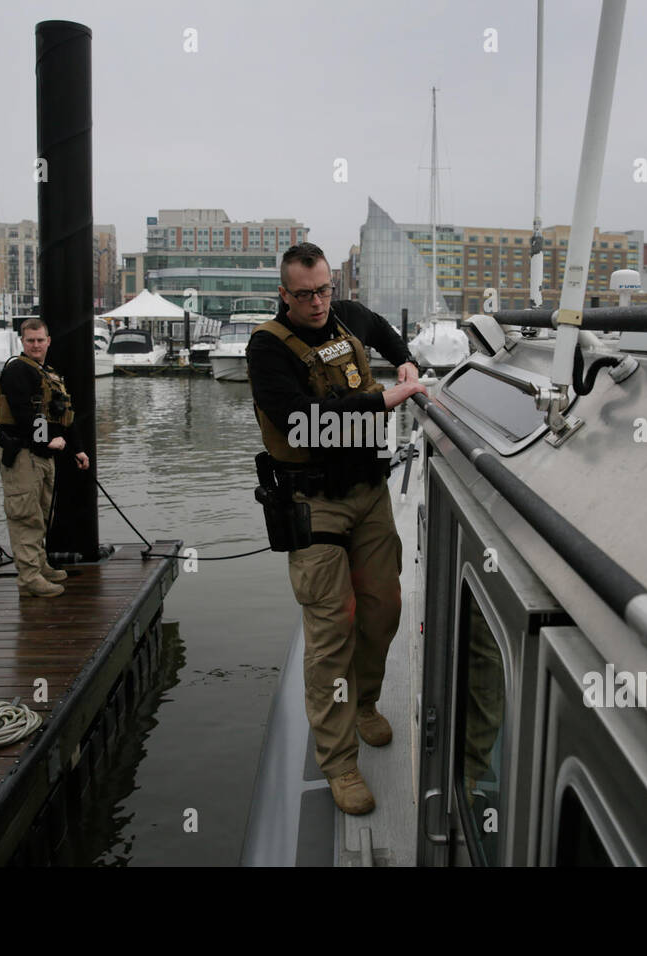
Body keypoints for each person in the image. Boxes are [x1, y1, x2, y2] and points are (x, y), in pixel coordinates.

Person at [247, 242, 427, 815]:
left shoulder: (343, 313)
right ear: (284, 294)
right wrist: (383, 400)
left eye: (325, 289)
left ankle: (367, 700)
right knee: (330, 632)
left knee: (383, 607)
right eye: (306, 295)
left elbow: (378, 329)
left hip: (369, 493)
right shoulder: (266, 348)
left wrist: (404, 360)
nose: (320, 302)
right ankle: (340, 763)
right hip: (311, 500)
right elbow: (302, 422)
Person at [0, 317, 90, 598]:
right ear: (22, 342)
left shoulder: (49, 374)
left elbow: (64, 417)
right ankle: (29, 578)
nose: (35, 345)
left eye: (40, 340)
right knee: (25, 516)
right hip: (23, 454)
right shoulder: (16, 372)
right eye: (30, 340)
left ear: (48, 341)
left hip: (44, 457)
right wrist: (47, 441)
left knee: (41, 514)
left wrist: (77, 448)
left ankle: (39, 565)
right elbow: (24, 415)